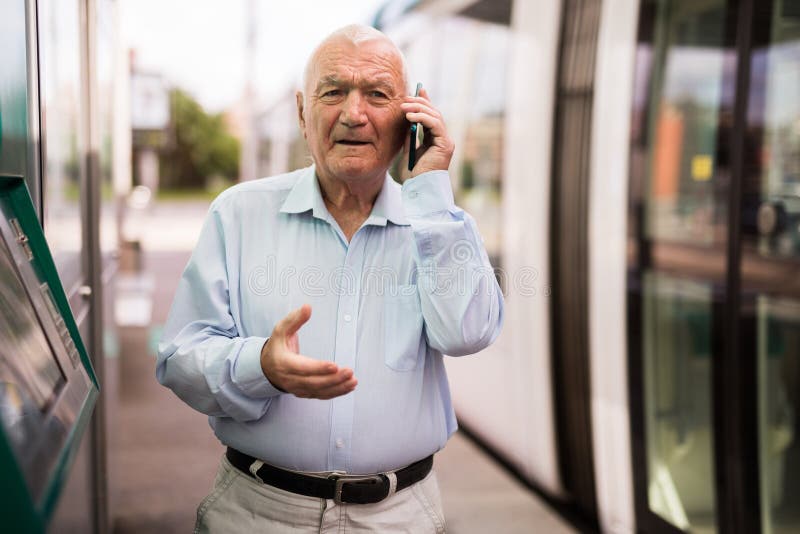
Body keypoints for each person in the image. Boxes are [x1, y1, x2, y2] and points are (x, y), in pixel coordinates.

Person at [157, 24, 504, 533]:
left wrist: (431, 189)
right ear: (303, 113)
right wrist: (261, 366)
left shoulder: (438, 225)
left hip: (399, 517)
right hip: (257, 512)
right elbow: (179, 357)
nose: (353, 113)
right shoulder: (237, 213)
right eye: (333, 91)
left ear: (410, 119)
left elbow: (467, 334)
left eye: (377, 94)